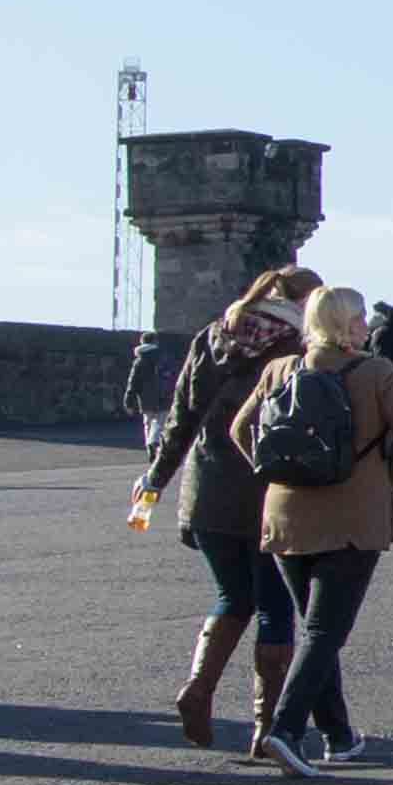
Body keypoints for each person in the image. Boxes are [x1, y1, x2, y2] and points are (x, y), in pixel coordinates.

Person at [237, 285, 393, 777]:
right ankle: (287, 729)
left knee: (317, 630)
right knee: (325, 631)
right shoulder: (374, 372)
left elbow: (241, 430)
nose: (367, 324)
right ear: (346, 324)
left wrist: (277, 473)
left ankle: (338, 735)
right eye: (361, 317)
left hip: (285, 516)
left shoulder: (280, 369)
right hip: (352, 517)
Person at [133, 267, 313, 739]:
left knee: (232, 596)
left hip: (209, 487)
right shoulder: (299, 347)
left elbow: (179, 419)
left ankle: (199, 686)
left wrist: (154, 481)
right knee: (275, 604)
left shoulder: (214, 336)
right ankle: (266, 727)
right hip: (268, 492)